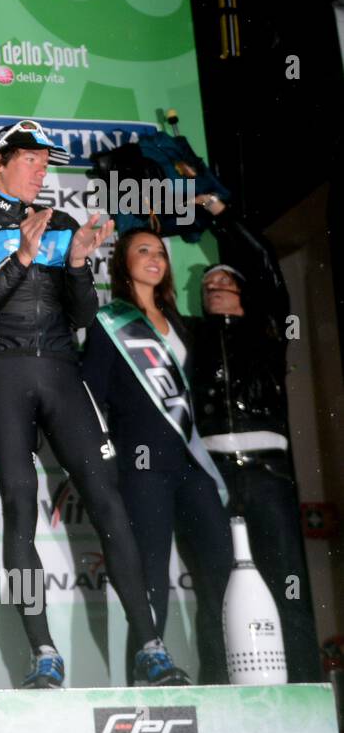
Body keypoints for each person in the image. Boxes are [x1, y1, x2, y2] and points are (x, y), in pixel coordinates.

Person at [0, 119, 189, 688]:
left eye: (46, 161)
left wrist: (75, 263)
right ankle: (45, 654)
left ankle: (151, 648)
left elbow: (81, 317)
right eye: (30, 159)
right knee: (21, 506)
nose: (41, 169)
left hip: (61, 372)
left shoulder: (64, 224)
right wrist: (22, 257)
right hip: (2, 374)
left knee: (107, 500)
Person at [82, 230, 233, 684]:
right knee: (150, 575)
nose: (154, 258)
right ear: (123, 264)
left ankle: (220, 680)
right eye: (142, 251)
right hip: (141, 464)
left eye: (160, 252)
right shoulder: (109, 321)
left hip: (191, 464)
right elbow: (91, 392)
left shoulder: (179, 322)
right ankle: (147, 683)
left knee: (220, 570)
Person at [193, 262, 322, 681]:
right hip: (215, 478)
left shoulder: (267, 335)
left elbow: (272, 280)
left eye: (226, 281)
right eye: (208, 284)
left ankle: (304, 687)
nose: (216, 288)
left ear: (244, 292)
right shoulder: (193, 336)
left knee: (287, 580)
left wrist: (222, 213)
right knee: (214, 588)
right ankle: (218, 688)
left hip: (268, 475)